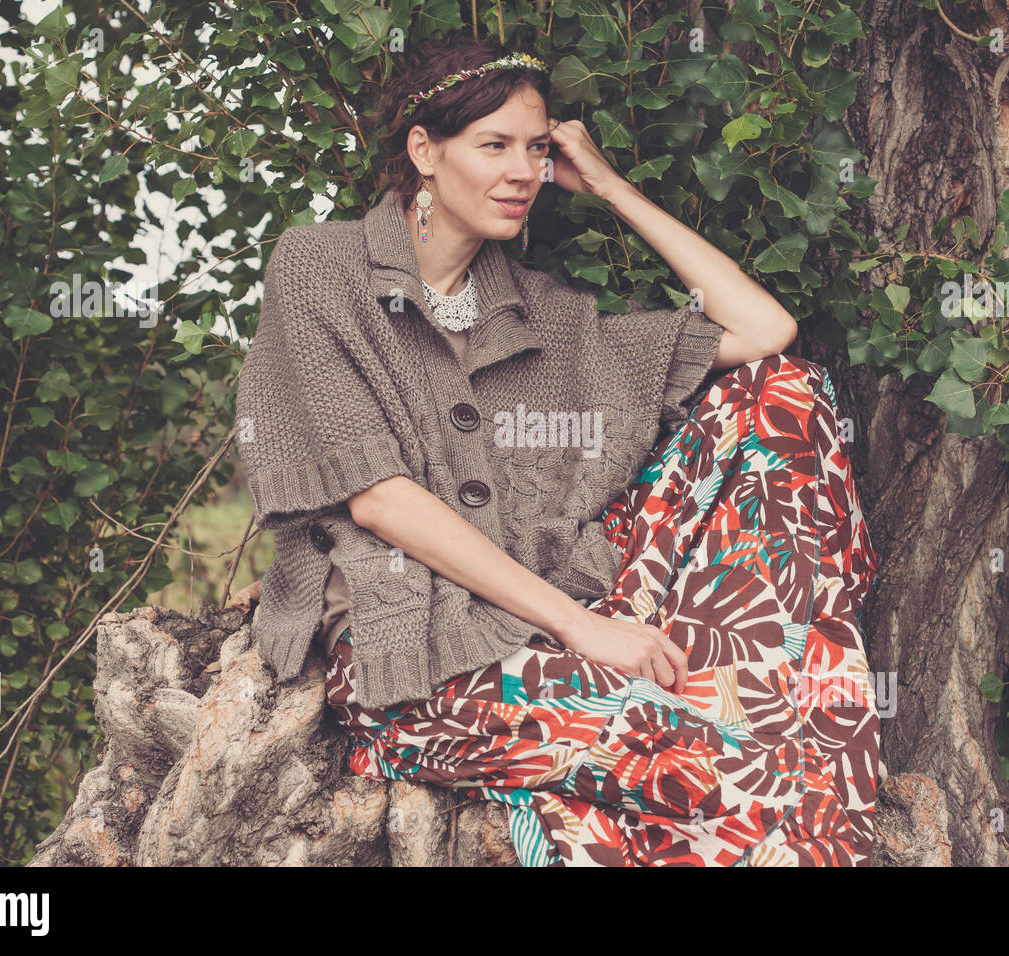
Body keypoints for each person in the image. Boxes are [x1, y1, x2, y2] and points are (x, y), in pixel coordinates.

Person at [232, 31, 880, 866]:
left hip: (564, 614)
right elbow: (378, 496)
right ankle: (750, 737)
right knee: (750, 771)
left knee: (784, 393)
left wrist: (610, 187)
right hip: (416, 661)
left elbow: (764, 332)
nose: (523, 171)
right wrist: (584, 631)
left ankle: (761, 685)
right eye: (493, 145)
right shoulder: (322, 269)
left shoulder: (544, 315)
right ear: (423, 151)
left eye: (536, 149)